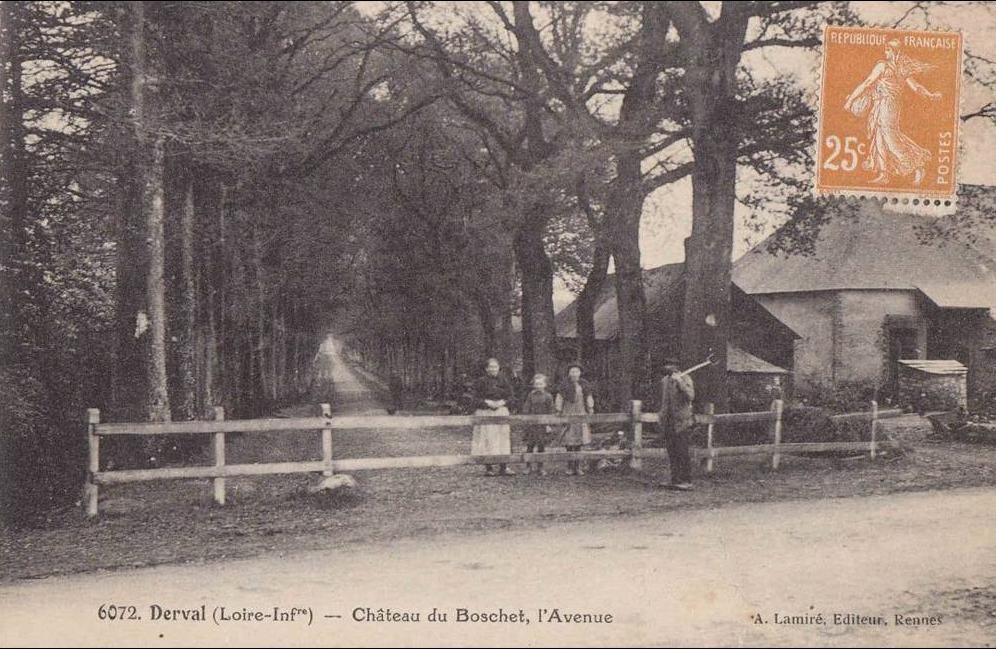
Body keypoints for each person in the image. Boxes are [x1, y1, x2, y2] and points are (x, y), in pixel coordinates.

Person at [843, 39, 940, 186]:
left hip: (887, 104)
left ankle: (916, 166)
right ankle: (884, 174)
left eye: (888, 50)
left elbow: (868, 82)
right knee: (879, 136)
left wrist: (850, 100)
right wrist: (929, 95)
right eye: (885, 50)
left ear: (896, 51)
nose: (885, 52)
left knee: (890, 136)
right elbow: (916, 87)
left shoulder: (884, 66)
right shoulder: (901, 68)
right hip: (883, 104)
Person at [472, 358, 515, 476]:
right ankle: (489, 467)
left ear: (499, 368)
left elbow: (512, 397)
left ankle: (504, 466)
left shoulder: (504, 380)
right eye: (490, 367)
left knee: (503, 439)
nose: (493, 369)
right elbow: (474, 399)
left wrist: (503, 402)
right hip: (486, 412)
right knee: (487, 439)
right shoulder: (480, 381)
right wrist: (487, 403)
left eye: (495, 367)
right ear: (486, 369)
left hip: (501, 411)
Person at [658, 357, 695, 491]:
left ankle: (686, 480)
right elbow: (664, 401)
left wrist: (680, 383)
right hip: (668, 421)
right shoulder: (664, 381)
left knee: (682, 451)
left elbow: (691, 396)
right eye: (666, 365)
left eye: (671, 365)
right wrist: (661, 416)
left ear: (676, 367)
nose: (668, 367)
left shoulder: (685, 378)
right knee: (672, 451)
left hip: (682, 421)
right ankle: (675, 479)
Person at [555, 363, 595, 476]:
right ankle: (569, 466)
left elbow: (588, 396)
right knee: (569, 441)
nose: (574, 374)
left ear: (580, 373)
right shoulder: (564, 385)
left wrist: (590, 407)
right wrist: (558, 409)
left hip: (581, 412)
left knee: (579, 441)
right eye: (572, 371)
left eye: (576, 371)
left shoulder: (584, 384)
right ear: (569, 373)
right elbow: (559, 397)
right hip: (569, 412)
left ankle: (577, 466)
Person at [520, 373, 555, 476]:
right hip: (532, 425)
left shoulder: (548, 396)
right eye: (537, 384)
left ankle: (541, 467)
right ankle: (528, 466)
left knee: (541, 446)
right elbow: (526, 408)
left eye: (541, 384)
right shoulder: (530, 395)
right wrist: (527, 420)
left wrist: (548, 424)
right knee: (530, 446)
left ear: (545, 385)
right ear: (534, 385)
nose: (538, 386)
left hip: (542, 425)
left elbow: (551, 410)